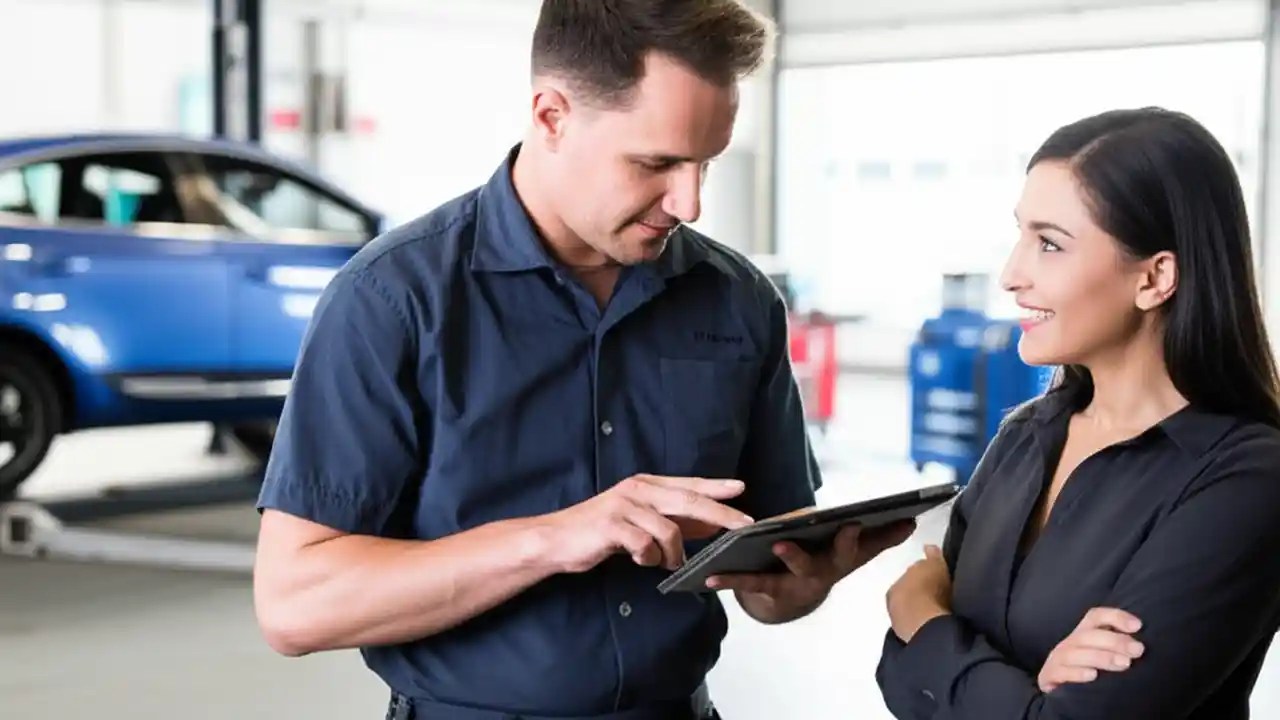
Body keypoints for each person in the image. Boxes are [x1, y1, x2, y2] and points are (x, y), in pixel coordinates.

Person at [252, 2, 913, 719]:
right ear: (551, 117)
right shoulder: (391, 300)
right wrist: (555, 537)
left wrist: (795, 584)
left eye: (705, 163)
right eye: (655, 163)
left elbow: (767, 585)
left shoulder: (737, 300)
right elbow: (295, 606)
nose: (689, 202)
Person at [875, 106, 1280, 720]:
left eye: (1049, 243)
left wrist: (927, 622)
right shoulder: (1024, 437)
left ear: (1155, 277)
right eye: (1021, 235)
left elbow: (922, 650)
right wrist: (1031, 688)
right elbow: (899, 682)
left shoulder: (1246, 480)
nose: (1012, 274)